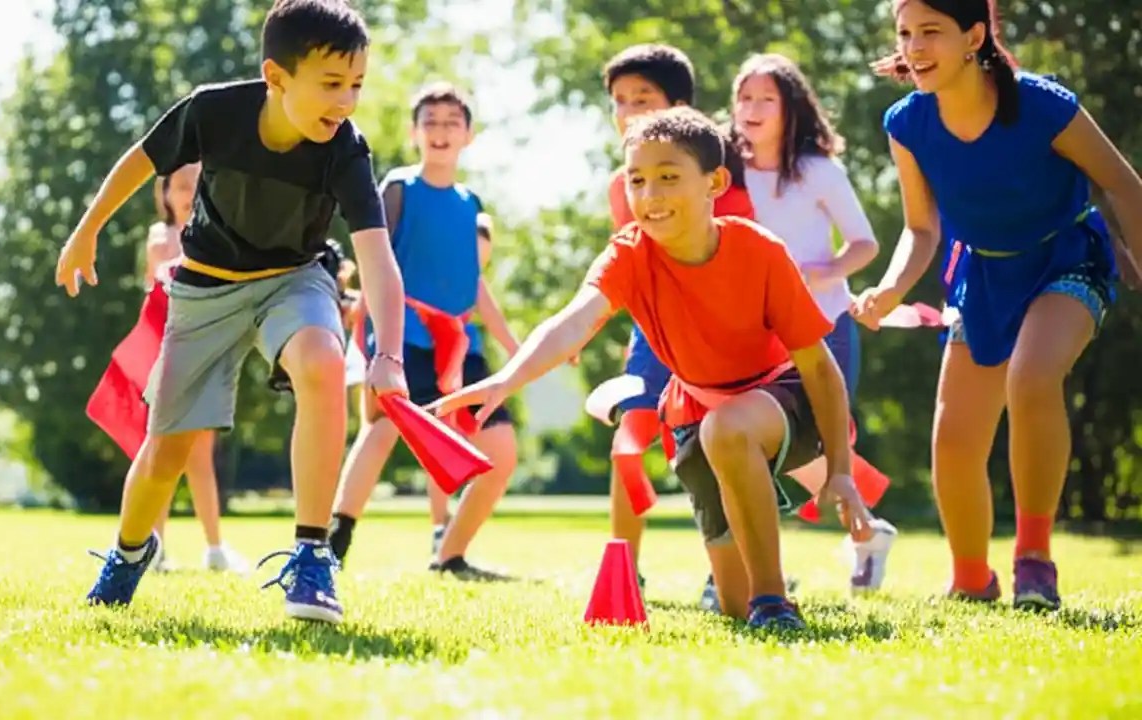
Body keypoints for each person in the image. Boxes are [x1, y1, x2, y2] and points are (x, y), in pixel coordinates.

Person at [434, 108, 871, 629]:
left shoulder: (759, 250)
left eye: (668, 178)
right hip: (696, 417)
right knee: (732, 603)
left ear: (715, 182)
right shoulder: (629, 255)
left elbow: (820, 370)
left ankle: (773, 603)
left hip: (782, 401)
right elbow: (573, 322)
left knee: (727, 429)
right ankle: (757, 598)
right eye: (637, 181)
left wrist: (841, 472)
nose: (651, 196)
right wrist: (508, 379)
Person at [57, 0, 407, 624]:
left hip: (292, 281)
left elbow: (377, 259)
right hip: (205, 289)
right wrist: (86, 232)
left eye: (356, 84)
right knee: (166, 454)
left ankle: (312, 554)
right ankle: (129, 552)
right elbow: (141, 160)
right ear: (276, 76)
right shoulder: (214, 111)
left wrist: (387, 356)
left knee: (324, 360)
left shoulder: (346, 151)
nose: (346, 101)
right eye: (331, 85)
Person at [855, 0, 1142, 610]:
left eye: (931, 31)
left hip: (1065, 255)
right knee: (953, 438)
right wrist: (890, 288)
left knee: (1032, 378)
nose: (915, 46)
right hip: (983, 274)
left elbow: (1123, 183)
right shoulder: (906, 123)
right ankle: (970, 579)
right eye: (906, 34)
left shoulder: (1042, 104)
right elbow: (921, 229)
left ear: (974, 37)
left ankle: (1034, 560)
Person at [328, 83, 521, 580]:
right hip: (403, 334)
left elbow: (476, 286)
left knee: (501, 453)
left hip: (460, 346)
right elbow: (376, 257)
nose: (440, 131)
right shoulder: (399, 188)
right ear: (414, 132)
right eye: (430, 122)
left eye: (451, 122)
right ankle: (334, 541)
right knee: (383, 429)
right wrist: (365, 329)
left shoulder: (471, 202)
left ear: (468, 136)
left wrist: (517, 349)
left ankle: (450, 554)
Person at [731, 52, 897, 594]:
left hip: (823, 326)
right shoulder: (722, 173)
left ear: (791, 108)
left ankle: (863, 535)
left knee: (821, 446)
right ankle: (759, 567)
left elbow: (865, 242)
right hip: (752, 333)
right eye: (744, 97)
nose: (752, 109)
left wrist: (826, 269)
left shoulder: (819, 171)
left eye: (766, 99)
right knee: (746, 444)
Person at [597, 43, 755, 601]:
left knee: (720, 447)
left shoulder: (722, 185)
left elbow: (741, 265)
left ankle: (729, 573)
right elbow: (622, 262)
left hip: (723, 334)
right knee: (631, 431)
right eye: (619, 101)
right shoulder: (622, 187)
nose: (629, 111)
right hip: (655, 332)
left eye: (643, 98)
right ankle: (623, 571)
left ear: (680, 108)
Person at [138, 164, 249, 574]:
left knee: (201, 455)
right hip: (169, 357)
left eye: (197, 185)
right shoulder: (160, 239)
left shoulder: (219, 236)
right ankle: (156, 546)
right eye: (180, 186)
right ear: (164, 193)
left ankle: (215, 547)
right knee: (162, 449)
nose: (188, 193)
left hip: (209, 352)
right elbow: (154, 302)